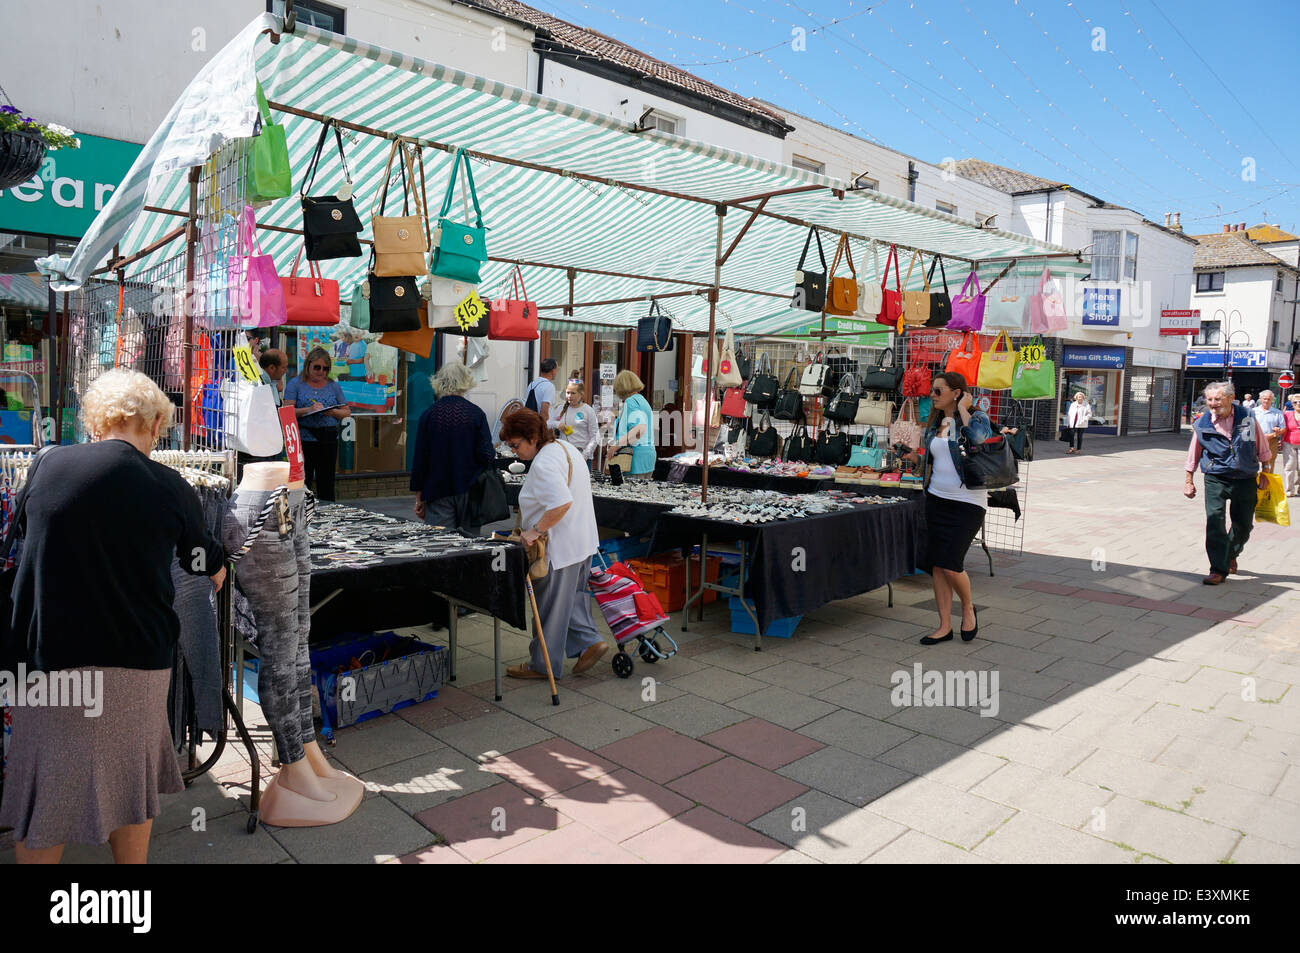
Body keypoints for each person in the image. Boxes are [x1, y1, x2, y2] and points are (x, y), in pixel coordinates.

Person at [0, 369, 226, 863]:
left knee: (46, 784)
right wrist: (218, 567)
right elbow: (198, 561)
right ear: (155, 424)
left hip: (48, 657)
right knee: (131, 779)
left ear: (99, 419)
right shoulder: (170, 485)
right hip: (136, 657)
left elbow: (22, 539)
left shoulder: (45, 466)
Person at [498, 409, 607, 679]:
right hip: (583, 542)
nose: (514, 452)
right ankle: (589, 642)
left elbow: (561, 503)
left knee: (549, 609)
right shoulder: (564, 447)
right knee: (572, 600)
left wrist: (535, 531)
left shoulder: (545, 462)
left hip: (559, 546)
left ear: (532, 437)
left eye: (516, 445)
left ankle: (542, 664)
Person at [902, 372, 993, 645]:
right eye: (932, 390)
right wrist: (912, 457)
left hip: (967, 503)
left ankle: (967, 607)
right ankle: (943, 626)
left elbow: (978, 441)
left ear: (957, 392)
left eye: (938, 391)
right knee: (938, 565)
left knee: (952, 564)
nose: (932, 395)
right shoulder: (936, 423)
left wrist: (964, 409)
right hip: (936, 499)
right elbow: (933, 461)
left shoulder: (977, 417)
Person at [1184, 381, 1272, 585]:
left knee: (1243, 525)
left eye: (1218, 399)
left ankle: (1231, 552)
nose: (1213, 403)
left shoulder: (1247, 417)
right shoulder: (1202, 423)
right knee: (1215, 521)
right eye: (1210, 399)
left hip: (1245, 477)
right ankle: (1218, 569)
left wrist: (1266, 472)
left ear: (1231, 398)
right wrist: (1189, 480)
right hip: (1216, 477)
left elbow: (1261, 444)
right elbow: (1193, 452)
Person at [410, 362, 495, 534]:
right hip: (470, 488)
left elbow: (420, 460)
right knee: (469, 545)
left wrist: (419, 498)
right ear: (466, 382)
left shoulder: (429, 415)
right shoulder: (476, 414)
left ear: (439, 382)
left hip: (438, 489)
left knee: (441, 545)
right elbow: (486, 455)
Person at [284, 347, 350, 501]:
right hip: (304, 439)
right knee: (302, 481)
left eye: (325, 368)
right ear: (308, 365)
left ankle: (328, 514)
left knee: (326, 481)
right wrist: (308, 410)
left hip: (327, 438)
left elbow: (346, 412)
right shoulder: (296, 384)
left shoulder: (333, 385)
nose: (321, 372)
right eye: (317, 367)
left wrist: (333, 412)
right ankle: (301, 513)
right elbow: (287, 412)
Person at [610, 370, 656, 478]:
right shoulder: (642, 401)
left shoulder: (630, 402)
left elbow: (638, 430)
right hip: (648, 456)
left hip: (633, 458)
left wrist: (616, 446)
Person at [548, 378, 599, 468]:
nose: (569, 396)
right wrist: (557, 424)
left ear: (581, 394)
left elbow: (595, 436)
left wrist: (584, 456)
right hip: (564, 456)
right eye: (568, 393)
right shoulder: (561, 408)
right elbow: (547, 423)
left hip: (583, 456)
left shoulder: (588, 411)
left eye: (573, 393)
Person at [1251, 390, 1286, 473]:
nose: (1266, 401)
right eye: (1264, 399)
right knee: (1252, 463)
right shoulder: (1252, 411)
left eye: (1269, 399)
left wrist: (1276, 432)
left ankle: (1267, 484)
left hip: (1271, 441)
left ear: (1272, 400)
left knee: (1269, 465)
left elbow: (1283, 428)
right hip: (1255, 441)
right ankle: (1253, 483)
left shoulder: (1278, 413)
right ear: (1260, 399)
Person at [1281, 393, 1300, 497]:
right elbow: (1283, 428)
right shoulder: (1287, 415)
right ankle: (1289, 489)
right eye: (1295, 402)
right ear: (1291, 404)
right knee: (1289, 467)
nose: (1298, 404)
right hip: (1289, 443)